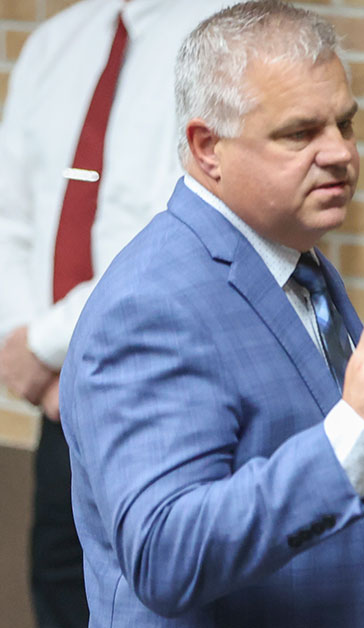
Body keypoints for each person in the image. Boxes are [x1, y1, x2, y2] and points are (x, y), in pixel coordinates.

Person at [58, 2, 364, 626]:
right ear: (207, 147)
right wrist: (348, 443)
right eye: (300, 133)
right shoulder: (151, 306)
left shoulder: (296, 263)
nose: (339, 152)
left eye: (345, 124)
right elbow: (165, 554)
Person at [0, 1, 225, 626]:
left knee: (158, 594)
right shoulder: (57, 42)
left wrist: (47, 346)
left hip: (167, 381)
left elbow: (175, 230)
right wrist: (26, 348)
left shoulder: (222, 33)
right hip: (60, 396)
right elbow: (11, 215)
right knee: (58, 574)